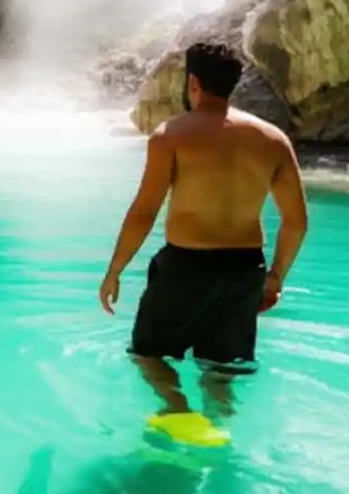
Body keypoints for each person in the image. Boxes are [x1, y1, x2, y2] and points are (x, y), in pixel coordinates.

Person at [98, 42, 308, 446]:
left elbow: (144, 211)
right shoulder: (273, 140)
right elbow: (296, 221)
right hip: (245, 271)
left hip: (185, 268)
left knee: (149, 355)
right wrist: (276, 276)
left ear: (193, 83)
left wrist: (115, 271)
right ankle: (221, 433)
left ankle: (177, 411)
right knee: (222, 368)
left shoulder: (171, 136)